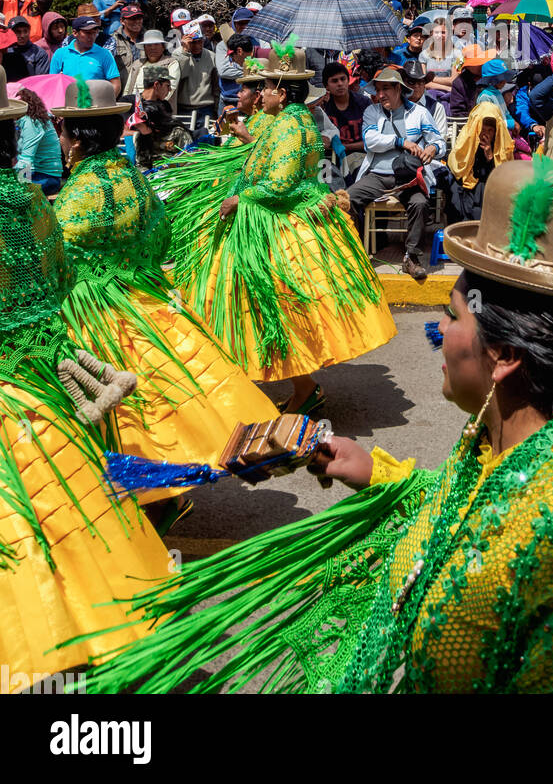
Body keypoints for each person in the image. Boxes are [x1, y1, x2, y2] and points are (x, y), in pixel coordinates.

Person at [78, 159, 553, 697]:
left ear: (505, 356)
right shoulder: (517, 435)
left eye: (452, 318)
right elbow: (477, 516)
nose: (435, 336)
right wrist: (375, 470)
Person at [0, 69, 173, 683]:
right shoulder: (35, 200)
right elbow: (152, 238)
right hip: (53, 365)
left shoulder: (64, 199)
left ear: (74, 136)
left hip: (27, 371)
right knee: (72, 502)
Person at [52, 77, 278, 533]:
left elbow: (56, 257)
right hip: (143, 299)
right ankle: (164, 494)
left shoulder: (79, 192)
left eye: (63, 130)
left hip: (96, 311)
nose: (60, 138)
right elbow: (160, 234)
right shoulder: (130, 174)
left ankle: (155, 497)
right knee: (166, 401)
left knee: (128, 416)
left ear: (77, 137)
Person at [177, 45, 396, 410]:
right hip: (283, 217)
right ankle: (290, 383)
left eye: (265, 88)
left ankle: (302, 388)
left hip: (285, 224)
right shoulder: (288, 121)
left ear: (281, 91)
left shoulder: (291, 126)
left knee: (279, 307)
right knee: (271, 308)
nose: (260, 94)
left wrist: (238, 201)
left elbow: (279, 184)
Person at [349, 64, 445, 282]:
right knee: (349, 198)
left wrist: (434, 148)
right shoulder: (372, 111)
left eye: (386, 89)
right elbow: (370, 141)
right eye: (378, 89)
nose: (380, 94)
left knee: (420, 204)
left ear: (399, 89)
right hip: (377, 175)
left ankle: (411, 257)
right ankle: (354, 251)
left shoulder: (420, 113)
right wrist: (401, 141)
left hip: (408, 178)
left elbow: (439, 141)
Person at [445, 100, 513, 222]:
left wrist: (490, 157)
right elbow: (457, 167)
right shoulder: (466, 142)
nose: (485, 134)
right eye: (482, 129)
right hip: (464, 185)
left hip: (487, 186)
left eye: (490, 130)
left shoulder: (501, 146)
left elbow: (503, 176)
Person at [319, 60, 370, 181]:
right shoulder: (322, 107)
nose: (340, 84)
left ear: (348, 81)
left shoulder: (364, 103)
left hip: (360, 154)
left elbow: (371, 141)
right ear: (326, 86)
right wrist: (321, 106)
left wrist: (345, 147)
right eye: (334, 81)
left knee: (358, 169)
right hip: (329, 156)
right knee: (322, 179)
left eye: (343, 79)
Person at [13, 85, 62, 193]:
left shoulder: (31, 122)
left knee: (10, 193)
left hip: (46, 177)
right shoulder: (30, 119)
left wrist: (19, 188)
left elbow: (26, 160)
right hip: (36, 173)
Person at [51, 15, 120, 92]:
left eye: (94, 33)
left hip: (97, 102)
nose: (92, 36)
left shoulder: (104, 54)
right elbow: (53, 82)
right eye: (87, 33)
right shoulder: (60, 54)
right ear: (75, 33)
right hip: (67, 102)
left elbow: (115, 84)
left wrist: (104, 101)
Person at [124, 28, 181, 111]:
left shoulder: (171, 63)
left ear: (163, 47)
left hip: (159, 109)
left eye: (156, 44)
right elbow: (128, 88)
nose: (153, 48)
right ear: (144, 48)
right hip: (134, 107)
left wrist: (150, 105)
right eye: (149, 45)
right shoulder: (137, 64)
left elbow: (171, 88)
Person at [175, 22, 218, 128]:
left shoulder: (211, 56)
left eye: (200, 42)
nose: (197, 46)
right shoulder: (177, 54)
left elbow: (216, 85)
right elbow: (181, 75)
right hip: (184, 108)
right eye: (193, 42)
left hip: (206, 107)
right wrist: (185, 52)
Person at [402, 58, 448, 142]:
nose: (416, 86)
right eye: (411, 82)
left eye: (420, 82)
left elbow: (441, 137)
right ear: (403, 83)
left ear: (424, 84)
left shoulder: (436, 107)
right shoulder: (395, 104)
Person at [105, 4, 144, 98]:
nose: (137, 21)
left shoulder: (149, 39)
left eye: (139, 18)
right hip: (121, 96)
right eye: (132, 19)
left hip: (144, 95)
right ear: (122, 21)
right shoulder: (112, 41)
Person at [215, 32, 255, 114]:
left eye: (232, 56)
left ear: (239, 51)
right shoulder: (222, 45)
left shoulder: (262, 54)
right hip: (227, 100)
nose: (232, 60)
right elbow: (224, 71)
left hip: (250, 101)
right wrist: (249, 72)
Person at [448, 43, 490, 118]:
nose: (480, 65)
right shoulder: (459, 83)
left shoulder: (490, 75)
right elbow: (457, 112)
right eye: (476, 63)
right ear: (467, 66)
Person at [1, 15, 50, 80]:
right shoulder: (4, 51)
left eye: (25, 31)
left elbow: (41, 80)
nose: (22, 35)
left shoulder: (39, 53)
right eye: (18, 32)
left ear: (29, 31)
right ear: (10, 33)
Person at [475, 57, 516, 131]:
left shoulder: (497, 93)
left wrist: (512, 121)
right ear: (491, 80)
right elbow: (490, 122)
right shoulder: (485, 97)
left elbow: (506, 113)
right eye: (500, 79)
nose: (504, 81)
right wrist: (511, 124)